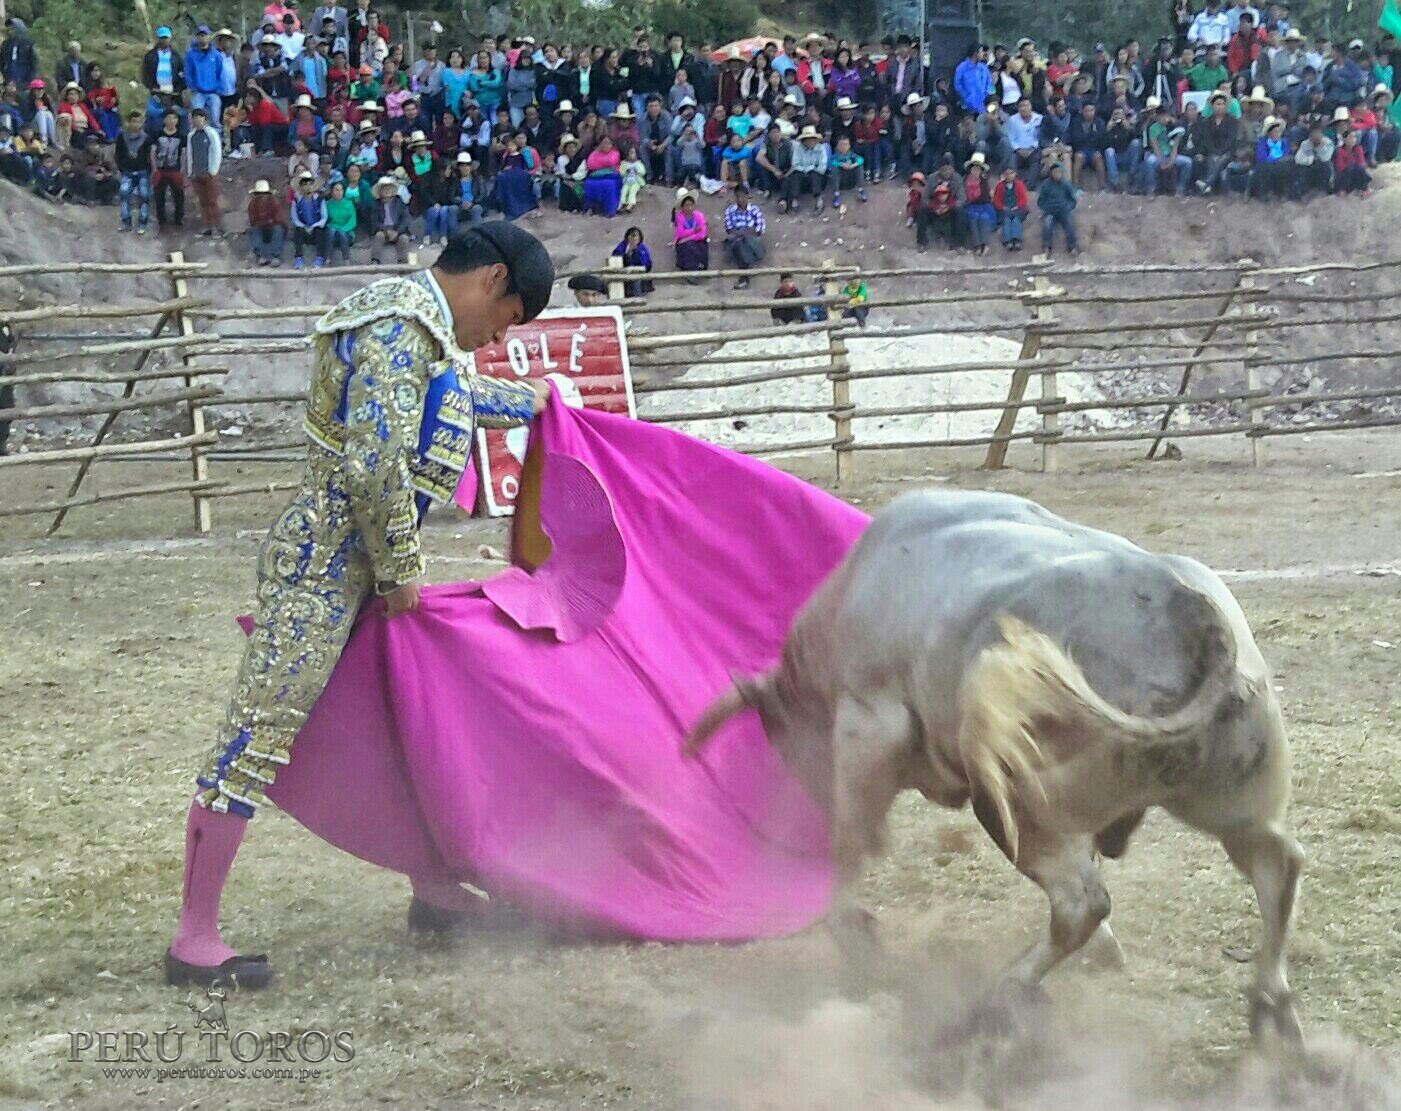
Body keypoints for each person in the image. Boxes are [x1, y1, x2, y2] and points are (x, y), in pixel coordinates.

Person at [168, 225, 557, 988]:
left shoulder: (425, 335)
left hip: (356, 566)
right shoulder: (398, 326)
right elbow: (375, 462)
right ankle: (192, 938)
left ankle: (436, 892)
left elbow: (453, 394)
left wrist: (531, 403)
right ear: (492, 279)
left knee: (403, 728)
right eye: (509, 316)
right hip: (324, 567)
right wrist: (401, 569)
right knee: (257, 733)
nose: (498, 334)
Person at [186, 105, 224, 237]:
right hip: (197, 172)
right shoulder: (191, 135)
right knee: (202, 201)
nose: (196, 121)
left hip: (209, 172)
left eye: (198, 118)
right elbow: (190, 153)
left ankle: (215, 226)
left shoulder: (211, 133)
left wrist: (213, 170)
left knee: (212, 200)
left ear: (204, 119)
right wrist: (190, 171)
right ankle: (207, 225)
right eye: (194, 118)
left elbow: (216, 152)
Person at [916, 157, 964, 253]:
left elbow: (962, 199)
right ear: (939, 170)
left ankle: (958, 244)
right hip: (935, 207)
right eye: (944, 170)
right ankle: (922, 243)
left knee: (960, 211)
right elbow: (924, 198)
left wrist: (949, 206)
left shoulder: (957, 178)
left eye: (949, 169)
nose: (947, 172)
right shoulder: (932, 178)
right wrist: (935, 207)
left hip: (950, 208)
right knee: (922, 210)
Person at [722, 184, 766, 289]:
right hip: (736, 241)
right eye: (738, 196)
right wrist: (747, 231)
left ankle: (744, 277)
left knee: (743, 241)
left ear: (747, 196)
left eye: (743, 196)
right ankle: (745, 277)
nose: (741, 199)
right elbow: (729, 230)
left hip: (752, 242)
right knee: (739, 242)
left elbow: (759, 231)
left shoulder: (755, 210)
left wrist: (741, 232)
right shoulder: (730, 210)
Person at [150, 109, 187, 229]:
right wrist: (154, 168)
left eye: (174, 118)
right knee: (159, 195)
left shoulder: (181, 136)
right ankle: (161, 219)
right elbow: (153, 152)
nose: (171, 121)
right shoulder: (157, 134)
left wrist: (182, 169)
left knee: (178, 195)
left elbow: (183, 153)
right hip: (160, 169)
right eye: (169, 118)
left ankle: (179, 219)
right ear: (164, 120)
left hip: (175, 169)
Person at [1037, 161, 1079, 256]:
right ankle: (1046, 247)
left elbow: (1073, 199)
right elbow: (1040, 200)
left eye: (1059, 172)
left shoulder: (1065, 184)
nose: (1057, 174)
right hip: (1050, 211)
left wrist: (1068, 207)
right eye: (1055, 172)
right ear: (1051, 173)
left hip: (1063, 210)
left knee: (1070, 224)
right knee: (1047, 225)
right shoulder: (1046, 184)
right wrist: (1045, 208)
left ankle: (1072, 247)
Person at [290, 169, 329, 267]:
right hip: (303, 229)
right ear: (301, 187)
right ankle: (299, 259)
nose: (307, 187)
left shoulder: (319, 199)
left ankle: (319, 258)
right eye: (304, 184)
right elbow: (295, 218)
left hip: (316, 229)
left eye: (309, 184)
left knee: (322, 230)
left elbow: (324, 218)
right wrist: (304, 226)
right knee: (297, 231)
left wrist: (314, 226)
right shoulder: (296, 200)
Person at [369, 172, 411, 260]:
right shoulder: (376, 204)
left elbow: (406, 219)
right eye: (384, 189)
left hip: (397, 229)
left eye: (389, 188)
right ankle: (375, 261)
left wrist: (397, 231)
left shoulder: (399, 202)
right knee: (378, 236)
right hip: (383, 230)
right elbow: (374, 221)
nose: (387, 191)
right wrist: (386, 231)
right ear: (380, 191)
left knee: (404, 239)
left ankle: (402, 263)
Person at [962, 152, 997, 256]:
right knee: (973, 218)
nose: (976, 171)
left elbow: (987, 196)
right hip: (971, 206)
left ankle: (985, 244)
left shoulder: (984, 181)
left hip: (984, 206)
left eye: (978, 169)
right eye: (974, 169)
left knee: (984, 218)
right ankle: (977, 246)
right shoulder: (965, 181)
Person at [247, 178, 288, 265]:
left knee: (278, 229)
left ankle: (276, 256)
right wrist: (263, 223)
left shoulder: (274, 202)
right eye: (258, 194)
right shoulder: (253, 204)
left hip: (273, 227)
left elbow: (279, 220)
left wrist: (269, 222)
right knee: (254, 230)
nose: (261, 196)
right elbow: (252, 221)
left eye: (264, 193)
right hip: (261, 227)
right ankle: (260, 256)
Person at [672, 188, 708, 277]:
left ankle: (698, 266)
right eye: (686, 205)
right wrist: (694, 230)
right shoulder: (679, 217)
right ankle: (690, 269)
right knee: (686, 246)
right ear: (682, 207)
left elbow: (702, 234)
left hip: (698, 241)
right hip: (684, 244)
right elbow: (680, 233)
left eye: (691, 205)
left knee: (693, 244)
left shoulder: (699, 215)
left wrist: (688, 237)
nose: (689, 208)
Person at [992, 164, 1028, 250]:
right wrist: (1003, 207)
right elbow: (996, 201)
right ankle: (1008, 241)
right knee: (1006, 220)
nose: (1009, 176)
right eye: (1007, 174)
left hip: (1018, 208)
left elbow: (1024, 199)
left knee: (1016, 219)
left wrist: (1017, 206)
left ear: (1015, 174)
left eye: (1011, 173)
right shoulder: (1000, 186)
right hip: (1005, 209)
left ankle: (1017, 240)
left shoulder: (1020, 184)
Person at [611, 225, 654, 297]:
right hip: (624, 270)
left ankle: (637, 299)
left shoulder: (642, 248)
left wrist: (636, 252)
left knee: (635, 278)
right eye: (630, 236)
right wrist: (626, 254)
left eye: (635, 236)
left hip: (638, 271)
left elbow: (647, 264)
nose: (633, 238)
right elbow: (615, 256)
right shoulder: (623, 246)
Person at [829, 134, 865, 209]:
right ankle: (836, 195)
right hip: (840, 182)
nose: (844, 147)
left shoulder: (851, 154)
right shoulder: (835, 155)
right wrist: (841, 164)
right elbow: (831, 162)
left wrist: (853, 165)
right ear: (837, 146)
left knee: (859, 166)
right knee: (834, 168)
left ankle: (861, 190)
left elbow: (861, 159)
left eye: (846, 145)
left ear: (849, 146)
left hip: (851, 180)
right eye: (841, 145)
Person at [325, 178, 357, 263]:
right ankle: (328, 258)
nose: (339, 192)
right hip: (332, 233)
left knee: (341, 233)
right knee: (331, 231)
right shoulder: (327, 204)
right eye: (336, 190)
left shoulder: (349, 203)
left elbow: (353, 221)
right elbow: (326, 220)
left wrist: (342, 229)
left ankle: (346, 259)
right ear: (331, 192)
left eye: (341, 190)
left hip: (346, 233)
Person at [1333, 127, 1370, 193]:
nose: (1353, 139)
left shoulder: (1358, 148)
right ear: (1344, 139)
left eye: (1354, 137)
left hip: (1356, 174)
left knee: (1360, 169)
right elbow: (1340, 168)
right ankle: (1342, 191)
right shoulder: (1340, 151)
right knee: (1348, 170)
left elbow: (1362, 164)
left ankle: (1365, 189)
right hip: (1345, 176)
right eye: (1350, 137)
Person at [619, 142, 646, 212]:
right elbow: (621, 173)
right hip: (627, 182)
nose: (630, 155)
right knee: (624, 191)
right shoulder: (624, 164)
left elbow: (643, 172)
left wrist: (637, 170)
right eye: (629, 153)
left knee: (632, 191)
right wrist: (626, 171)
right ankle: (622, 203)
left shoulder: (638, 163)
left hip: (636, 182)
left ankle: (630, 204)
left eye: (632, 153)